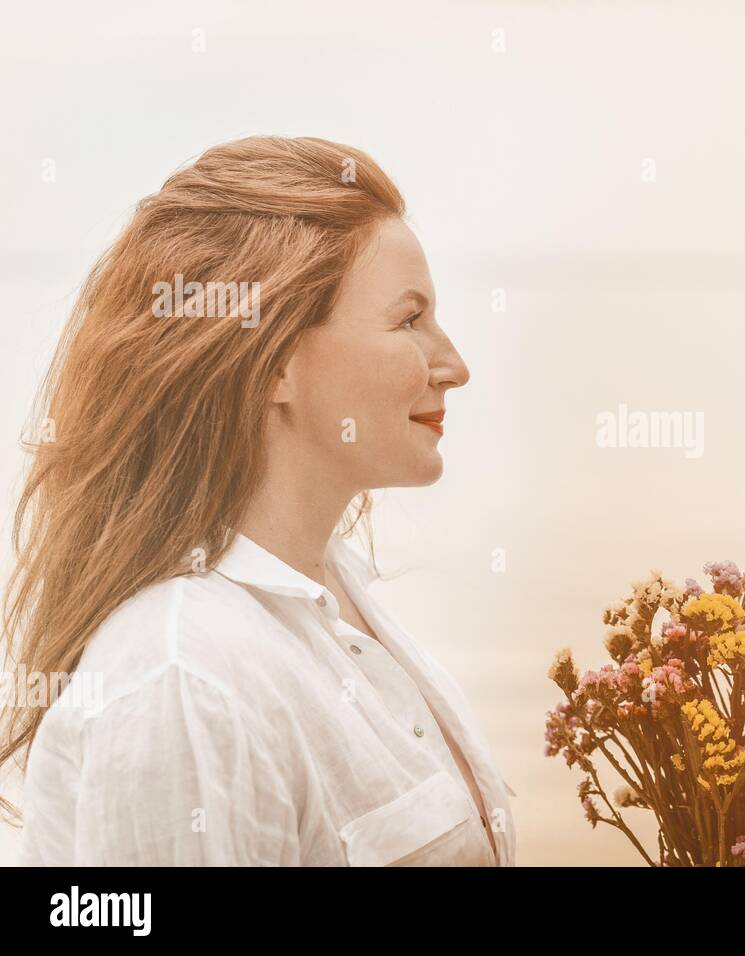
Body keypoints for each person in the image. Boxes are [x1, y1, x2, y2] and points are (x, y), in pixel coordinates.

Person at [4, 136, 515, 865]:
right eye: (408, 320)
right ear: (272, 361)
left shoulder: (339, 601)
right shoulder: (185, 680)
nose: (454, 365)